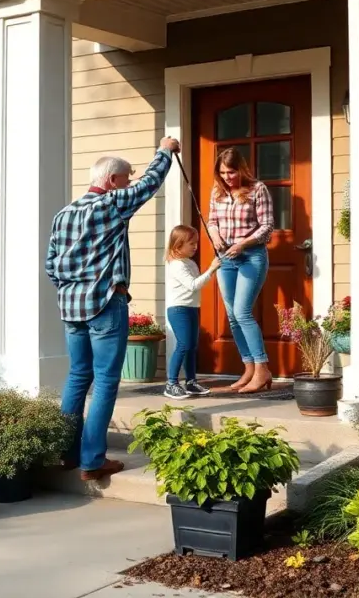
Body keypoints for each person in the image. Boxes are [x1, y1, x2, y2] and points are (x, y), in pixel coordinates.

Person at [46, 137, 180, 481]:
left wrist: (71, 290)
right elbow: (151, 184)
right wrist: (165, 149)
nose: (130, 184)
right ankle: (92, 461)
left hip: (71, 307)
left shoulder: (64, 214)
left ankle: (65, 454)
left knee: (78, 377)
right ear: (111, 181)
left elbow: (50, 265)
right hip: (106, 302)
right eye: (126, 179)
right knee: (105, 381)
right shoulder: (110, 205)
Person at [208, 148, 275, 393]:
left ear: (242, 169)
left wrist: (242, 244)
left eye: (232, 172)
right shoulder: (217, 191)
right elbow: (212, 220)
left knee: (242, 312)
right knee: (233, 316)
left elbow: (267, 227)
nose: (227, 177)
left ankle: (263, 368)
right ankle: (248, 369)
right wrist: (214, 235)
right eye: (223, 172)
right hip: (225, 257)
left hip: (251, 256)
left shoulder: (258, 189)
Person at [163, 225, 220, 400]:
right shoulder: (177, 265)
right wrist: (211, 269)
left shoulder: (190, 262)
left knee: (192, 346)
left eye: (195, 243)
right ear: (177, 246)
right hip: (178, 309)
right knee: (184, 344)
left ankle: (190, 382)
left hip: (191, 308)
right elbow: (193, 285)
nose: (195, 246)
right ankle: (171, 383)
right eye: (191, 243)